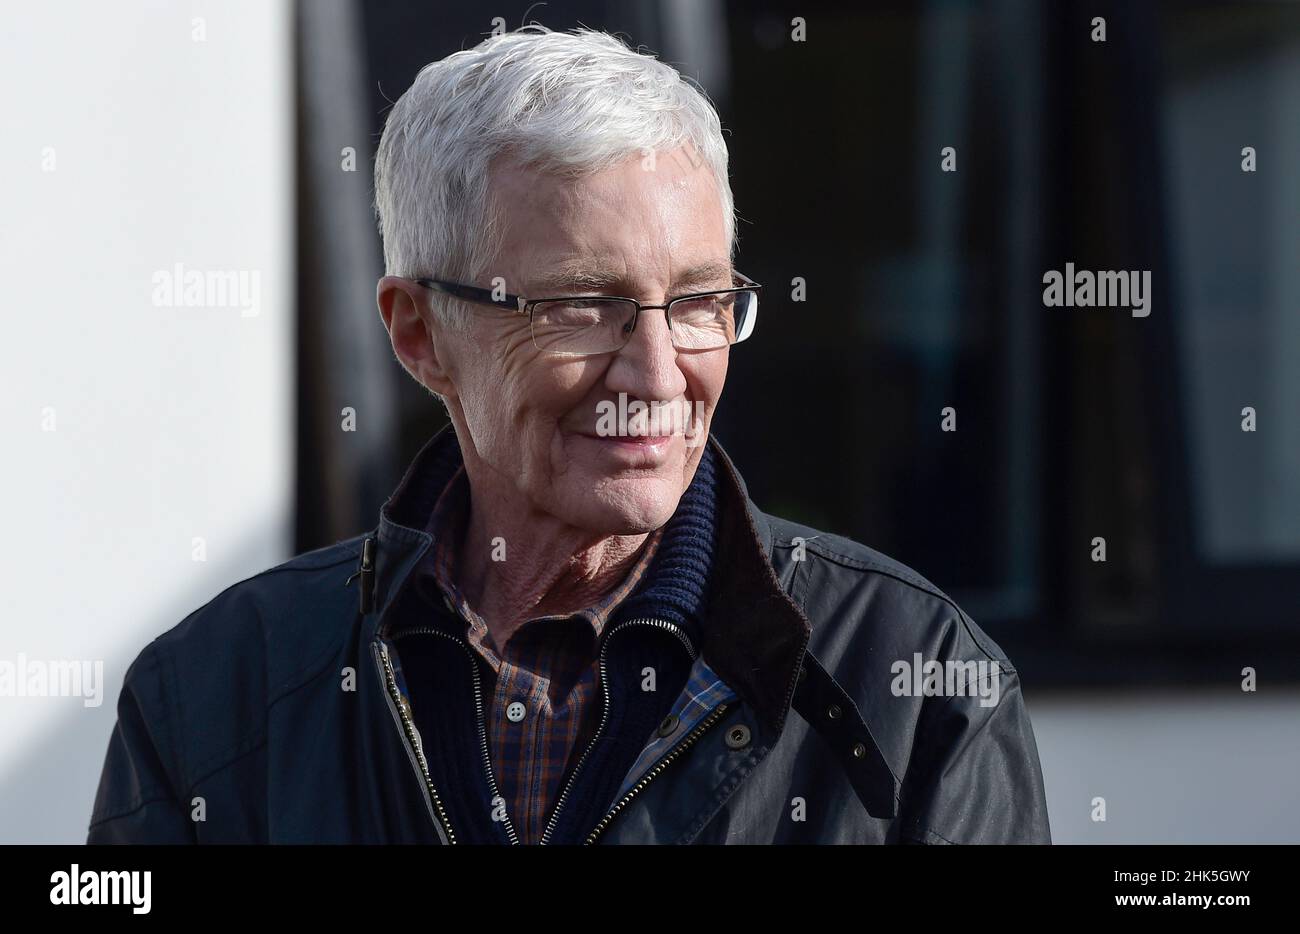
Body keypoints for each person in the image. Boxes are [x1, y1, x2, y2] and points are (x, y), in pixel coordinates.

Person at [88, 25, 1050, 845]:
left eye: (700, 301)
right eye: (584, 307)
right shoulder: (212, 697)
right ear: (420, 331)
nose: (659, 373)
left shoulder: (920, 687)